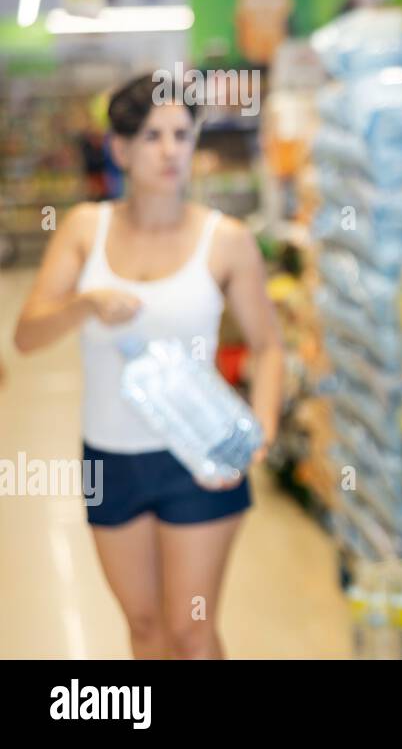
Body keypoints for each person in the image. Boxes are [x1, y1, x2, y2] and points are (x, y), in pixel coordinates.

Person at [13, 74, 283, 659]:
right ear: (120, 149)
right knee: (143, 628)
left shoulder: (226, 240)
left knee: (190, 628)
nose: (169, 150)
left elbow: (268, 345)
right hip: (109, 459)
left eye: (182, 134)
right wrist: (85, 304)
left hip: (198, 457)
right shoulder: (85, 229)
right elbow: (27, 336)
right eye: (152, 135)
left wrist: (260, 433)